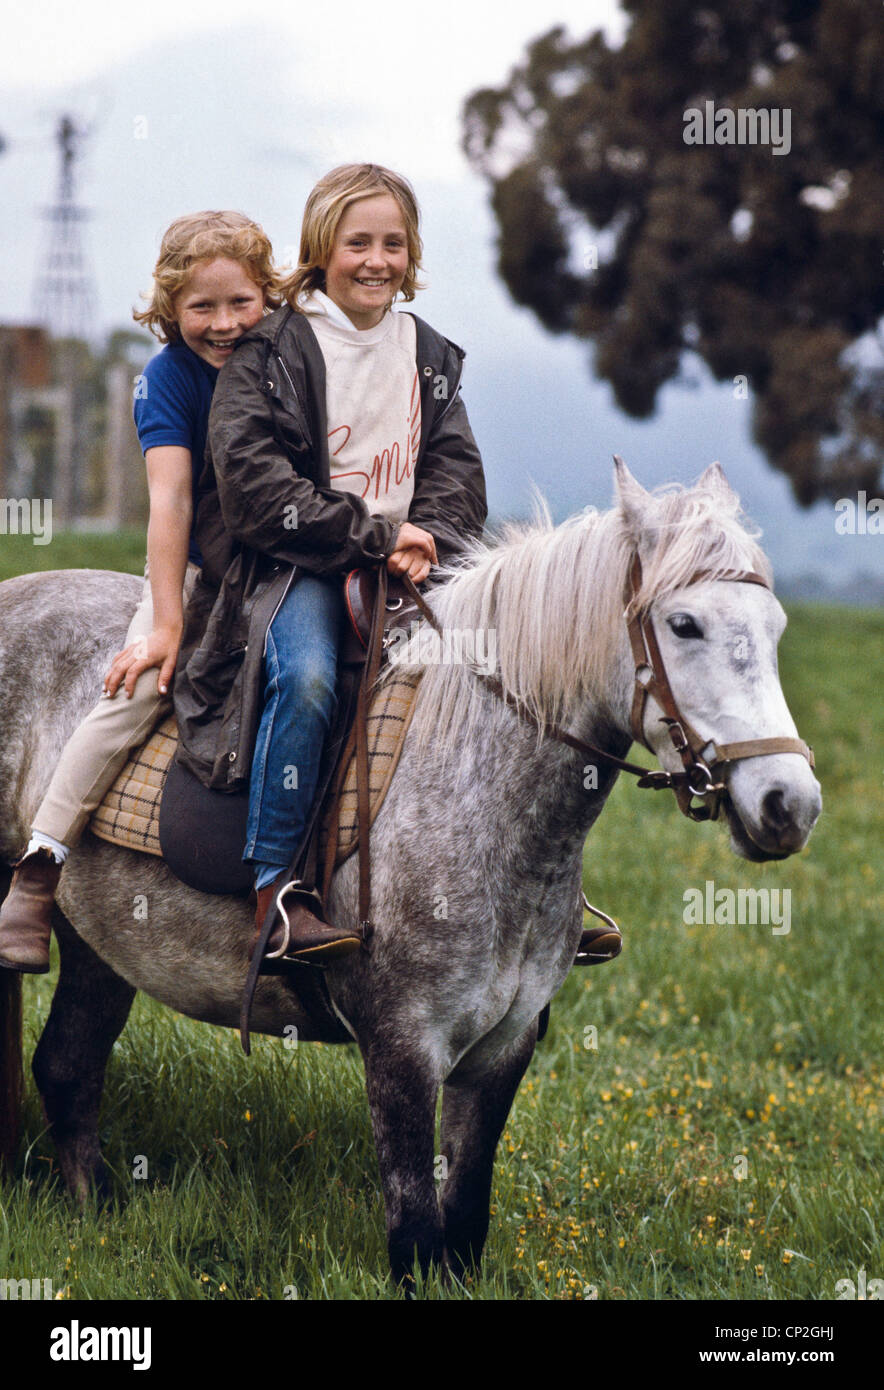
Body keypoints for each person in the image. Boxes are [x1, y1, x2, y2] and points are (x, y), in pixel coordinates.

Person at [172, 163, 488, 967]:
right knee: (309, 678)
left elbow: (456, 472)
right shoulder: (270, 349)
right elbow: (254, 489)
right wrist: (374, 540)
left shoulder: (430, 355)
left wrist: (426, 539)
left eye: (393, 243)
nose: (376, 260)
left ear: (411, 253)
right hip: (293, 567)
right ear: (323, 247)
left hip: (411, 567)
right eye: (358, 243)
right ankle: (278, 895)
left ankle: (521, 901)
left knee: (502, 676)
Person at [0, 210, 282, 973]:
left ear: (269, 297)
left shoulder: (290, 355)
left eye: (240, 303)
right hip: (205, 571)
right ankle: (41, 862)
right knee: (132, 691)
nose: (223, 324)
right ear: (169, 308)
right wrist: (165, 622)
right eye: (202, 307)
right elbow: (171, 502)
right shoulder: (166, 380)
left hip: (298, 565)